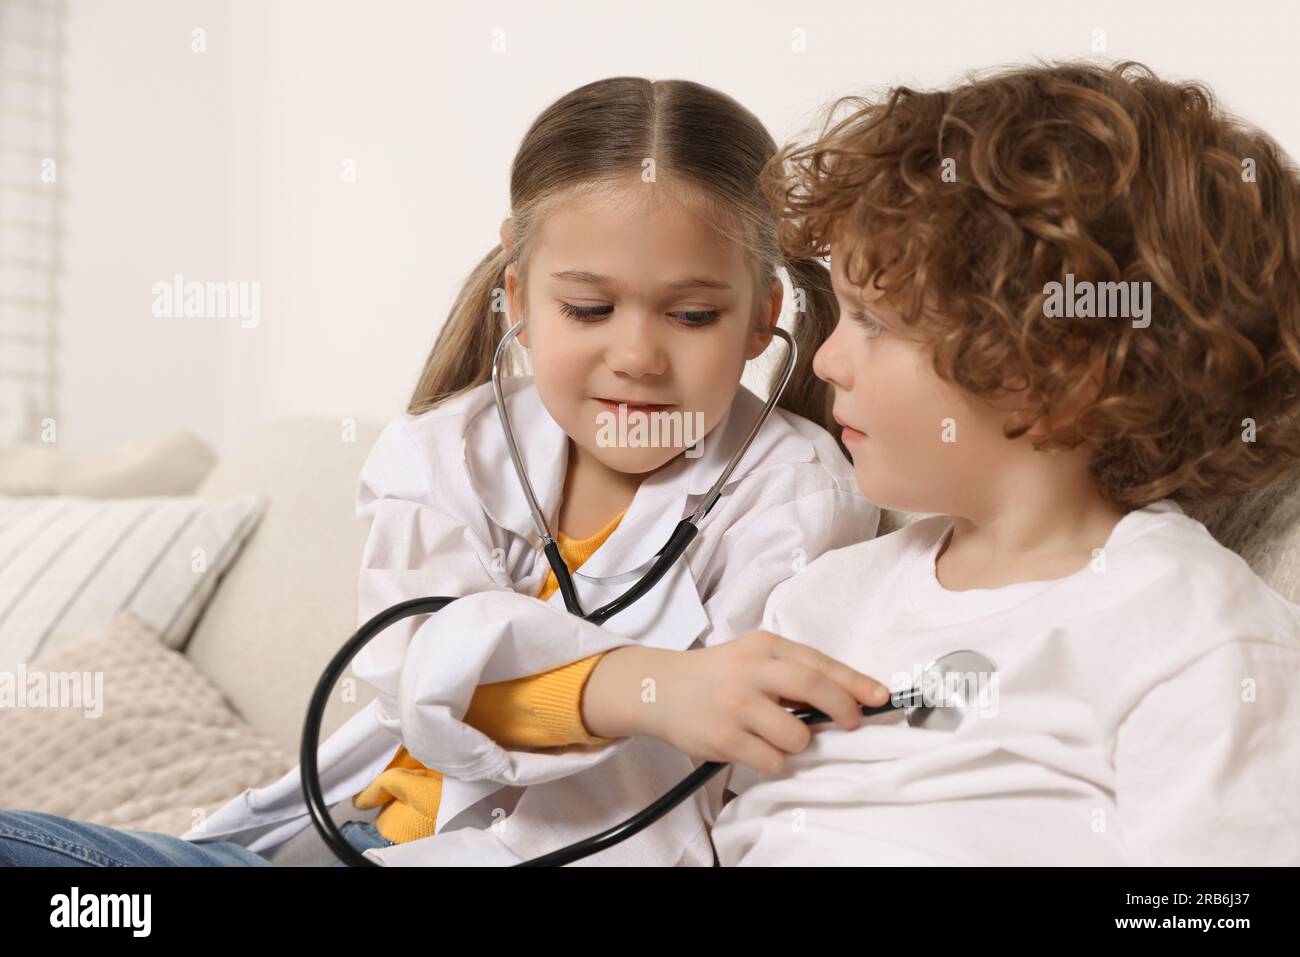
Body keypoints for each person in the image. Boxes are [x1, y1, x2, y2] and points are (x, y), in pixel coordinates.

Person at [0, 76, 879, 867]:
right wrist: (651, 688)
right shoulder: (450, 449)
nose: (638, 354)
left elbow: (693, 779)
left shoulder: (794, 496)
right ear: (519, 299)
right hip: (359, 840)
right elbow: (423, 678)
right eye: (588, 307)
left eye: (692, 314)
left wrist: (647, 699)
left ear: (764, 316)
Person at [579, 60, 1300, 865]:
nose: (827, 363)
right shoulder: (821, 605)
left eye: (874, 323)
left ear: (1060, 367)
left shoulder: (1191, 631)